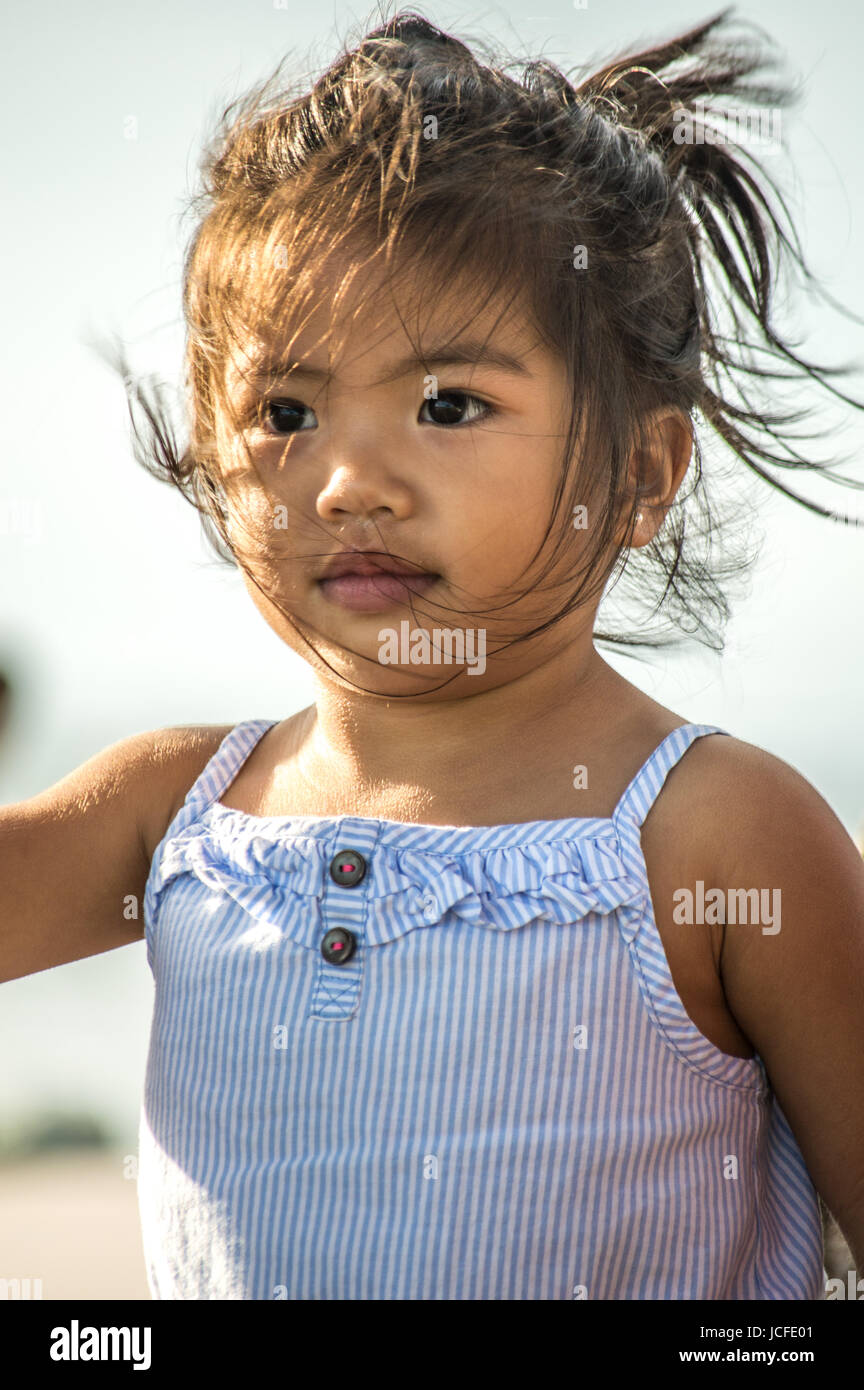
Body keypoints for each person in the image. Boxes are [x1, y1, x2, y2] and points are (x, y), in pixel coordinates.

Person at [4, 8, 864, 1299]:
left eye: (449, 405)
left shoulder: (710, 836)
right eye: (284, 413)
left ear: (640, 472)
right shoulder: (173, 811)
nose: (349, 481)